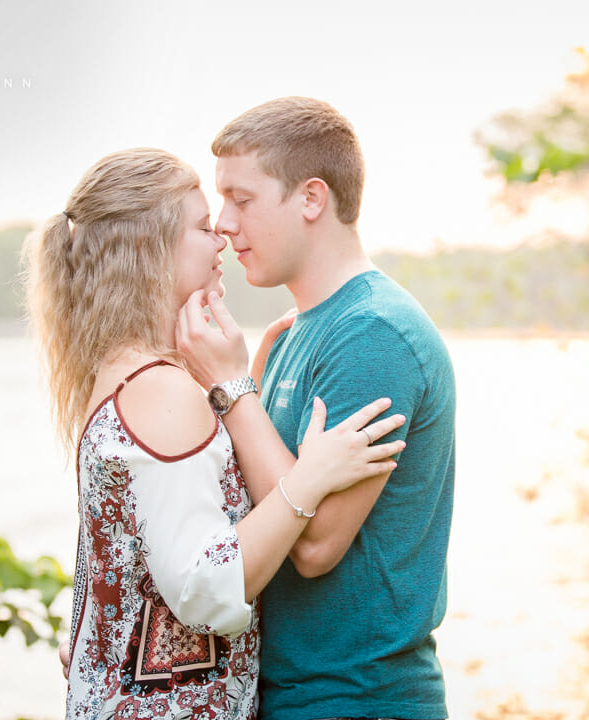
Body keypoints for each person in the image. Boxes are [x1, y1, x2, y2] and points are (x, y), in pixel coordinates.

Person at [24, 148, 407, 720]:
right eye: (203, 227)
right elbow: (207, 590)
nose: (222, 237)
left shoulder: (122, 372)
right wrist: (311, 476)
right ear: (150, 252)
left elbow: (137, 555)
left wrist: (242, 383)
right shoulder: (163, 391)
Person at [176, 97, 456, 720]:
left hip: (359, 700)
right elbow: (248, 512)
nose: (223, 223)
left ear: (310, 199)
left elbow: (316, 544)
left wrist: (231, 388)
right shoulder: (297, 332)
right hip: (293, 695)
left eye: (241, 200)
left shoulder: (374, 335)